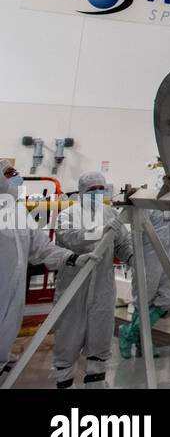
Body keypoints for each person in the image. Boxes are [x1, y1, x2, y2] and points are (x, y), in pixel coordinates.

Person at [1, 162, 98, 383]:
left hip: (12, 296)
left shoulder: (18, 212)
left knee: (4, 342)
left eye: (16, 174)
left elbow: (41, 248)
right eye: (9, 175)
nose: (17, 179)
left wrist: (71, 258)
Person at [52, 171, 134, 388]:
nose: (98, 192)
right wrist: (99, 231)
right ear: (81, 192)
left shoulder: (111, 215)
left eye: (101, 188)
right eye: (92, 189)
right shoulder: (68, 215)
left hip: (102, 287)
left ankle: (95, 382)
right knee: (68, 337)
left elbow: (122, 243)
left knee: (100, 335)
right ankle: (64, 382)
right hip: (73, 287)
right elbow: (71, 237)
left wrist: (132, 257)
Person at [118, 174, 170, 359]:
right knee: (144, 299)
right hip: (149, 255)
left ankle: (129, 333)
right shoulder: (150, 202)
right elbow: (134, 230)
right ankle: (142, 340)